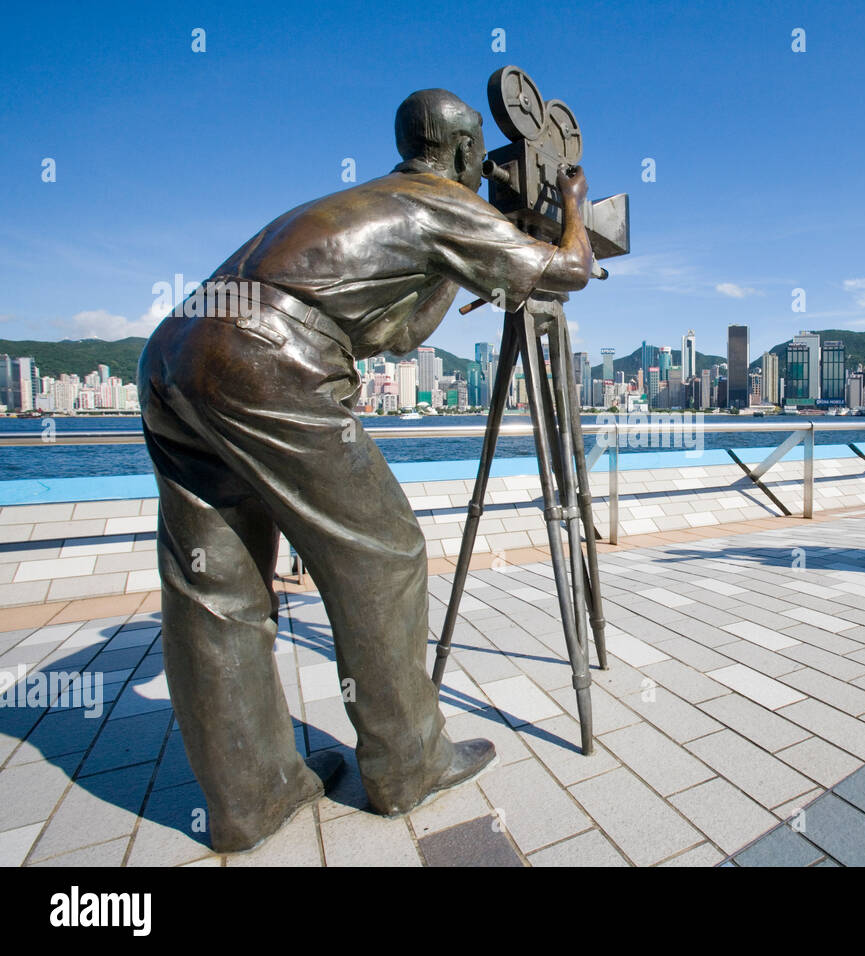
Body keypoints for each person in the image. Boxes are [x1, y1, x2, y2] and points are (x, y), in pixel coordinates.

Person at [137, 88, 594, 852]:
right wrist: (572, 204)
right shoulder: (444, 200)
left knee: (213, 584)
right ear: (458, 149)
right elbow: (570, 270)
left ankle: (250, 797)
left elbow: (401, 330)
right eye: (479, 150)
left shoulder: (373, 201)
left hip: (178, 348)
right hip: (266, 355)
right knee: (384, 558)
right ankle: (408, 763)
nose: (485, 165)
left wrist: (471, 263)